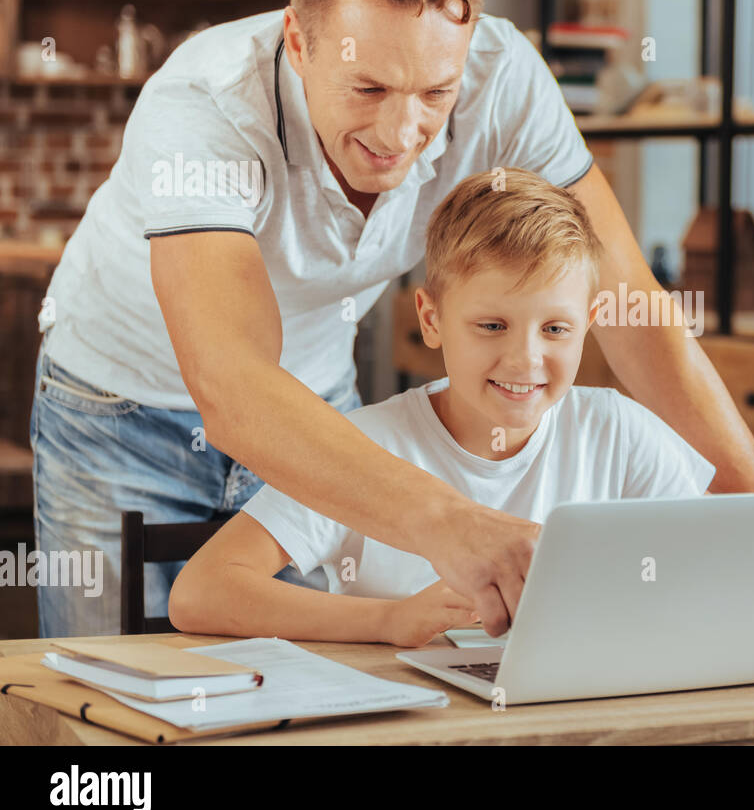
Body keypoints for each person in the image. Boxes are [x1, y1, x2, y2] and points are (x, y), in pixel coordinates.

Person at [30, 0, 754, 640]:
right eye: (369, 87)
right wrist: (450, 523)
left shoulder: (505, 81)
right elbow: (231, 382)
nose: (400, 130)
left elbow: (629, 302)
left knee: (295, 701)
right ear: (298, 42)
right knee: (112, 696)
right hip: (118, 412)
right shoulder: (206, 109)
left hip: (314, 403)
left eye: (434, 94)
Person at [169, 169, 718, 645]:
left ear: (589, 322)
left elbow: (714, 572)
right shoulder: (362, 445)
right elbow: (201, 592)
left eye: (556, 329)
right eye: (492, 326)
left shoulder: (621, 433)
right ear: (431, 320)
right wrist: (388, 619)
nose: (525, 360)